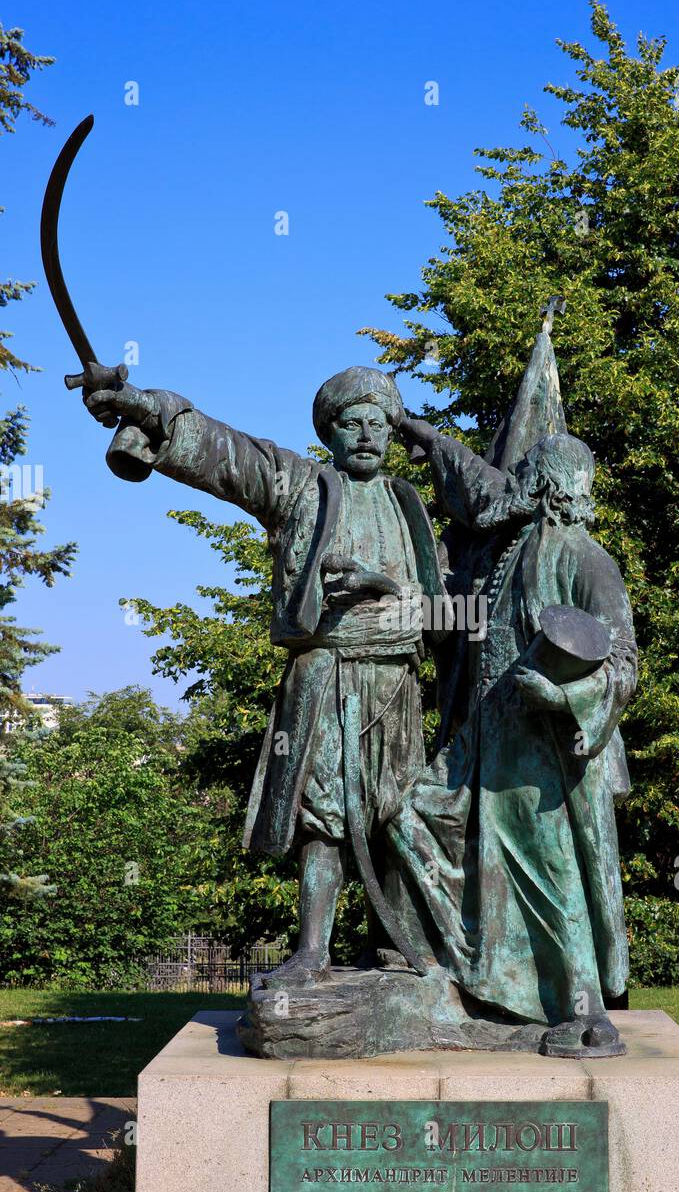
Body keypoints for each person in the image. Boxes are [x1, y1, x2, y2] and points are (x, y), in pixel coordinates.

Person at [78, 363, 448, 983]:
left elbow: (442, 605)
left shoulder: (410, 507)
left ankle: (394, 938)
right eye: (350, 423)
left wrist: (389, 587)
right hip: (327, 673)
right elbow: (227, 454)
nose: (365, 435)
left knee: (397, 813)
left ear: (391, 432)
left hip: (398, 682)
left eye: (377, 424)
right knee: (321, 814)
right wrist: (147, 409)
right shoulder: (303, 485)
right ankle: (311, 951)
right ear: (328, 433)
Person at [385, 418, 638, 1055]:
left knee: (551, 874)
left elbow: (625, 660)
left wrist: (565, 698)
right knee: (405, 809)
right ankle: (464, 973)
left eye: (529, 474)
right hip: (485, 734)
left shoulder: (585, 556)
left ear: (550, 483)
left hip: (540, 749)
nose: (517, 482)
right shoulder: (513, 548)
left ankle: (588, 1015)